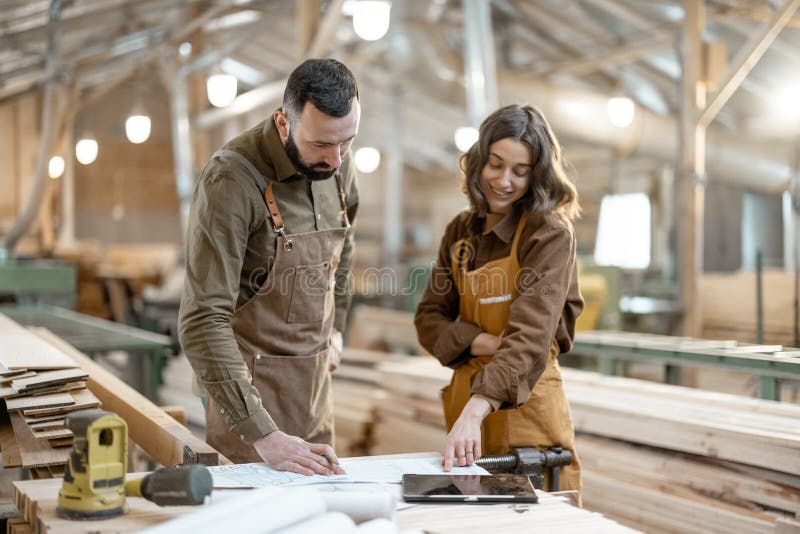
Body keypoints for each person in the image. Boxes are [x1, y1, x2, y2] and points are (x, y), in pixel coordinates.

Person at [178, 59, 360, 475]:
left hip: (313, 390)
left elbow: (343, 248)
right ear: (283, 123)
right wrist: (263, 434)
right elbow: (202, 319)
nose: (335, 160)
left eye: (346, 142)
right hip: (246, 401)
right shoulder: (231, 180)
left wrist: (337, 328)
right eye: (320, 145)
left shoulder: (338, 164)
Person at [414, 104, 583, 496]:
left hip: (526, 410)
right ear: (478, 162)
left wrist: (478, 407)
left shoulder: (549, 234)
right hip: (468, 412)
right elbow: (428, 320)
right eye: (495, 164)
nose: (504, 181)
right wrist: (480, 341)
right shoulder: (461, 232)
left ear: (536, 174)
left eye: (520, 172)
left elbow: (529, 336)